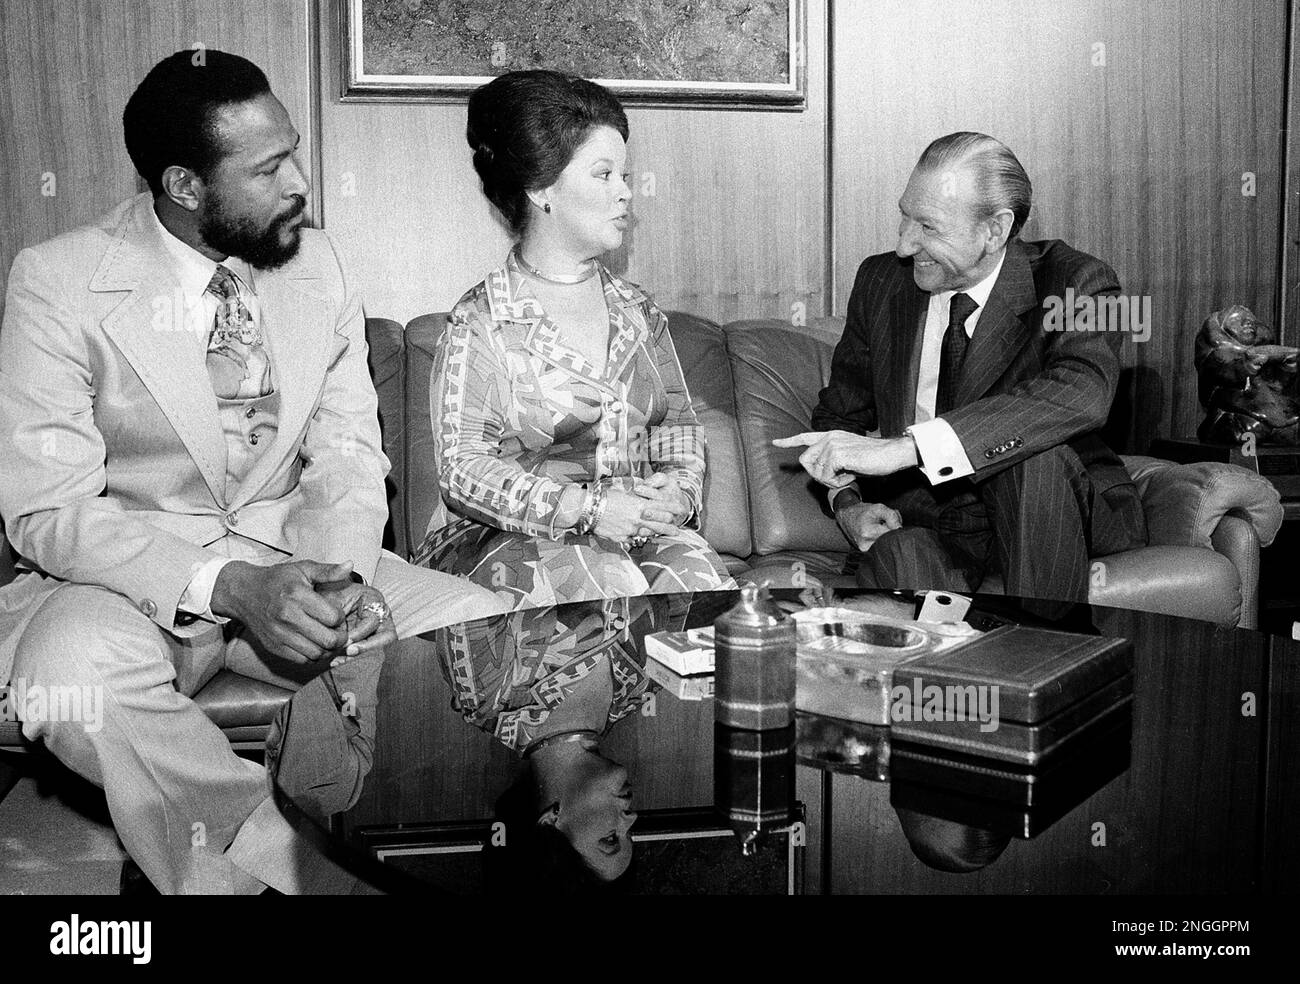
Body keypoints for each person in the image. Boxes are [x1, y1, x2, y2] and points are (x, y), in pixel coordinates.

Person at [0, 50, 500, 894]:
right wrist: (228, 587)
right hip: (132, 586)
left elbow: (348, 452)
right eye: (269, 168)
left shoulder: (318, 264)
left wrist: (335, 577)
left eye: (294, 152)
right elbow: (48, 511)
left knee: (491, 638)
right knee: (65, 679)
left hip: (303, 560)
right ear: (186, 188)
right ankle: (283, 873)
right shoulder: (57, 282)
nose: (301, 183)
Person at [775, 132, 1146, 605]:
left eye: (928, 226)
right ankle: (952, 671)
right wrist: (847, 503)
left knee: (1029, 457)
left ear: (995, 229)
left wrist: (907, 448)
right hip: (932, 517)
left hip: (1051, 505)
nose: (905, 244)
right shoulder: (881, 281)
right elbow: (839, 416)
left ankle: (1043, 662)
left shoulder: (1080, 282)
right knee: (900, 554)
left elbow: (1082, 392)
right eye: (904, 216)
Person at [413, 69, 731, 607]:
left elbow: (678, 422)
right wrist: (586, 510)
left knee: (703, 591)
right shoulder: (482, 321)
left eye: (625, 175)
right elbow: (462, 470)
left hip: (634, 535)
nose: (626, 193)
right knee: (602, 584)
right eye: (604, 175)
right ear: (542, 189)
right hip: (504, 542)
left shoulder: (638, 312)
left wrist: (679, 491)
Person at [436, 597, 672, 887]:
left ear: (549, 823)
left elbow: (468, 570)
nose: (630, 819)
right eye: (630, 834)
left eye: (610, 838)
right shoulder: (640, 690)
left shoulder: (489, 694)